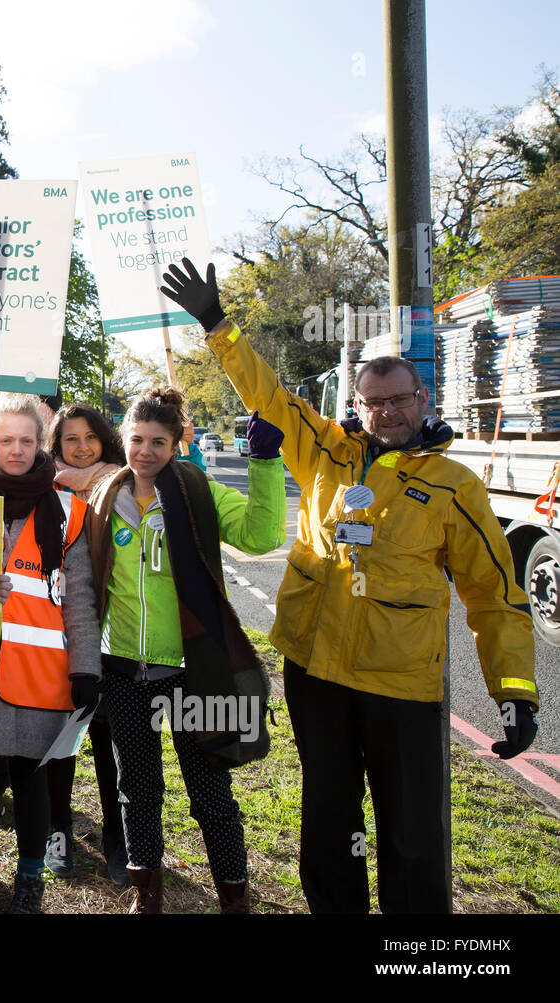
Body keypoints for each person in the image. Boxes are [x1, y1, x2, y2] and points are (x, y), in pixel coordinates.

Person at [160, 257, 540, 914]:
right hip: (317, 674)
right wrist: (217, 323)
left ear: (423, 401)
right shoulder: (327, 450)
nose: (387, 411)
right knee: (329, 823)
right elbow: (268, 396)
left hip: (401, 687)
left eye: (400, 400)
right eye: (374, 401)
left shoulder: (455, 486)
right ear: (357, 405)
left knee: (412, 834)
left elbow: (495, 595)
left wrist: (515, 691)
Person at [84, 386, 285, 914]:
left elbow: (261, 537)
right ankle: (146, 896)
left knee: (211, 796)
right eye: (136, 439)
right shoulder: (106, 496)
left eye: (158, 441)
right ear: (122, 439)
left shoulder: (199, 492)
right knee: (138, 791)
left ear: (176, 445)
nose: (145, 451)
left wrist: (264, 463)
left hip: (192, 672)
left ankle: (234, 901)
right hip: (124, 667)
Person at [0, 393, 100, 914]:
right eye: (4, 440)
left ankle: (30, 881)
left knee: (33, 788)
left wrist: (86, 669)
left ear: (40, 444)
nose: (15, 450)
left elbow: (78, 598)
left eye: (26, 441)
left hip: (41, 675)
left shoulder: (68, 511)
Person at [42, 403, 129, 883]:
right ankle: (58, 830)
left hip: (116, 630)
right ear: (55, 445)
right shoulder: (41, 487)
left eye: (89, 437)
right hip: (61, 630)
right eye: (69, 438)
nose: (80, 447)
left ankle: (119, 838)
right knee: (61, 739)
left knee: (111, 740)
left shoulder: (126, 484)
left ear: (105, 440)